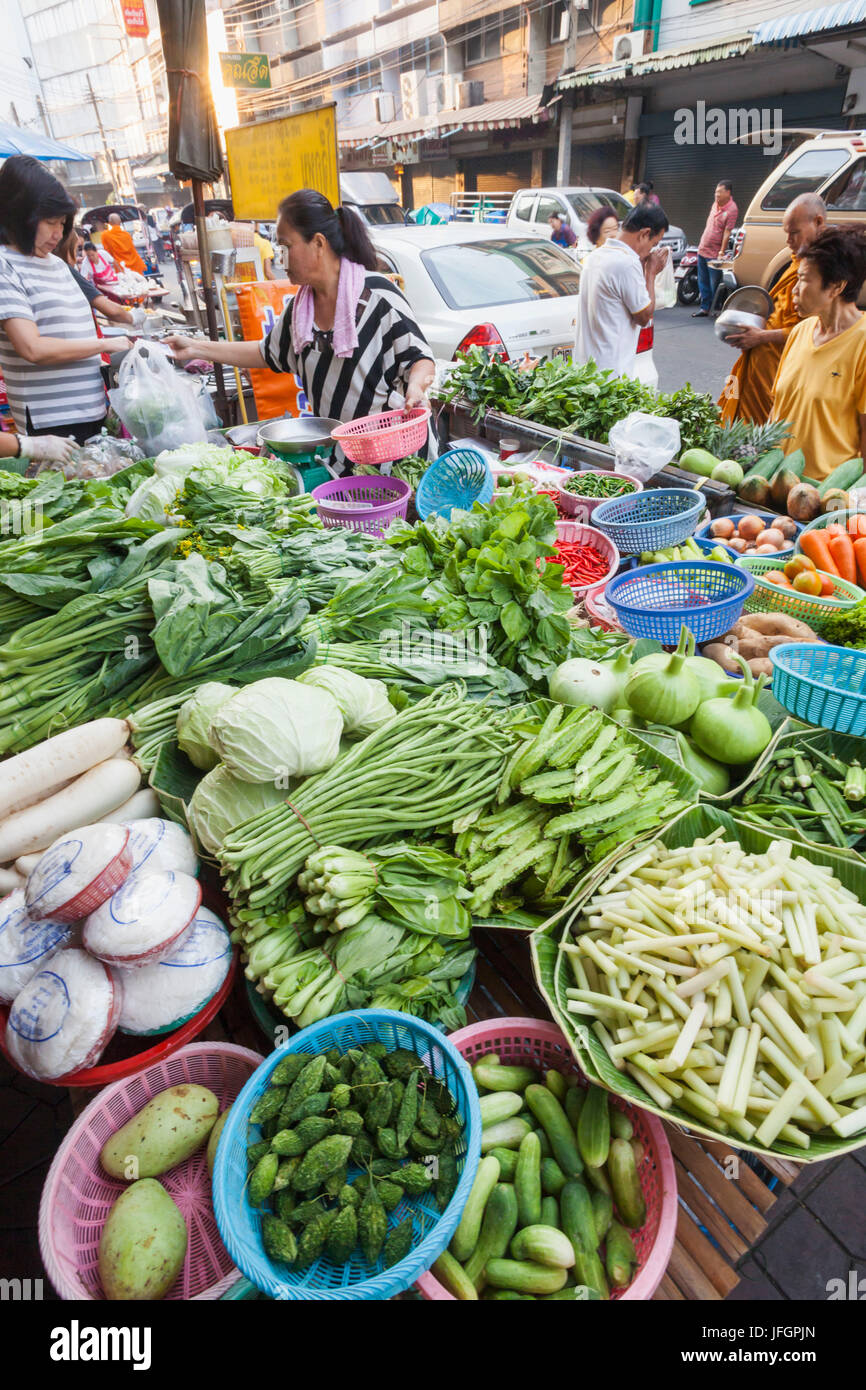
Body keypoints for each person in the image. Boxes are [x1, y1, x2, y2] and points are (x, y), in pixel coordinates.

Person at [165, 191, 434, 468]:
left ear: (318, 243)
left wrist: (416, 385)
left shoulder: (378, 295)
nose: (281, 259)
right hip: (343, 461)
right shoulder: (300, 309)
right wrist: (195, 347)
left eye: (286, 246)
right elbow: (266, 353)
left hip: (397, 460)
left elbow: (420, 359)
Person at [0, 156, 130, 444]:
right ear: (20, 215)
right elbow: (31, 348)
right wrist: (105, 344)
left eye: (62, 223)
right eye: (50, 223)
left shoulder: (57, 264)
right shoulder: (5, 264)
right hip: (51, 423)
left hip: (93, 409)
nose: (59, 234)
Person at [719, 193, 827, 426]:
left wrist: (761, 336)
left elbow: (814, 330)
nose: (788, 240)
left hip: (780, 369)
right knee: (738, 429)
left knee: (764, 433)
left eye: (795, 233)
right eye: (786, 233)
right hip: (759, 361)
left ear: (818, 222)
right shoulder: (798, 262)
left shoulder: (824, 269)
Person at [771, 226, 866, 481]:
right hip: (775, 487)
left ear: (835, 286)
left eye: (803, 279)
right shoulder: (800, 332)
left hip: (826, 497)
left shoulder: (863, 342)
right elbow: (777, 411)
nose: (794, 289)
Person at [573, 201, 670, 378]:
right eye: (653, 243)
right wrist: (651, 272)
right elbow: (643, 317)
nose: (652, 250)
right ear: (645, 233)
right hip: (610, 375)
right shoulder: (626, 263)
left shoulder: (596, 257)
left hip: (585, 371)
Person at [55, 227, 144, 330]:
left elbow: (115, 262)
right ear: (66, 250)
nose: (77, 257)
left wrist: (122, 274)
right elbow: (110, 309)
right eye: (76, 250)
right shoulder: (69, 268)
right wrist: (132, 318)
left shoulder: (102, 254)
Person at [694, 180, 739, 317]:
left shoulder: (732, 209)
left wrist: (721, 251)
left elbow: (727, 232)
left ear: (728, 192)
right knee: (703, 281)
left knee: (714, 283)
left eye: (720, 192)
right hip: (703, 248)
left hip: (714, 252)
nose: (716, 195)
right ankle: (705, 308)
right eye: (716, 192)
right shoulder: (715, 204)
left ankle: (715, 309)